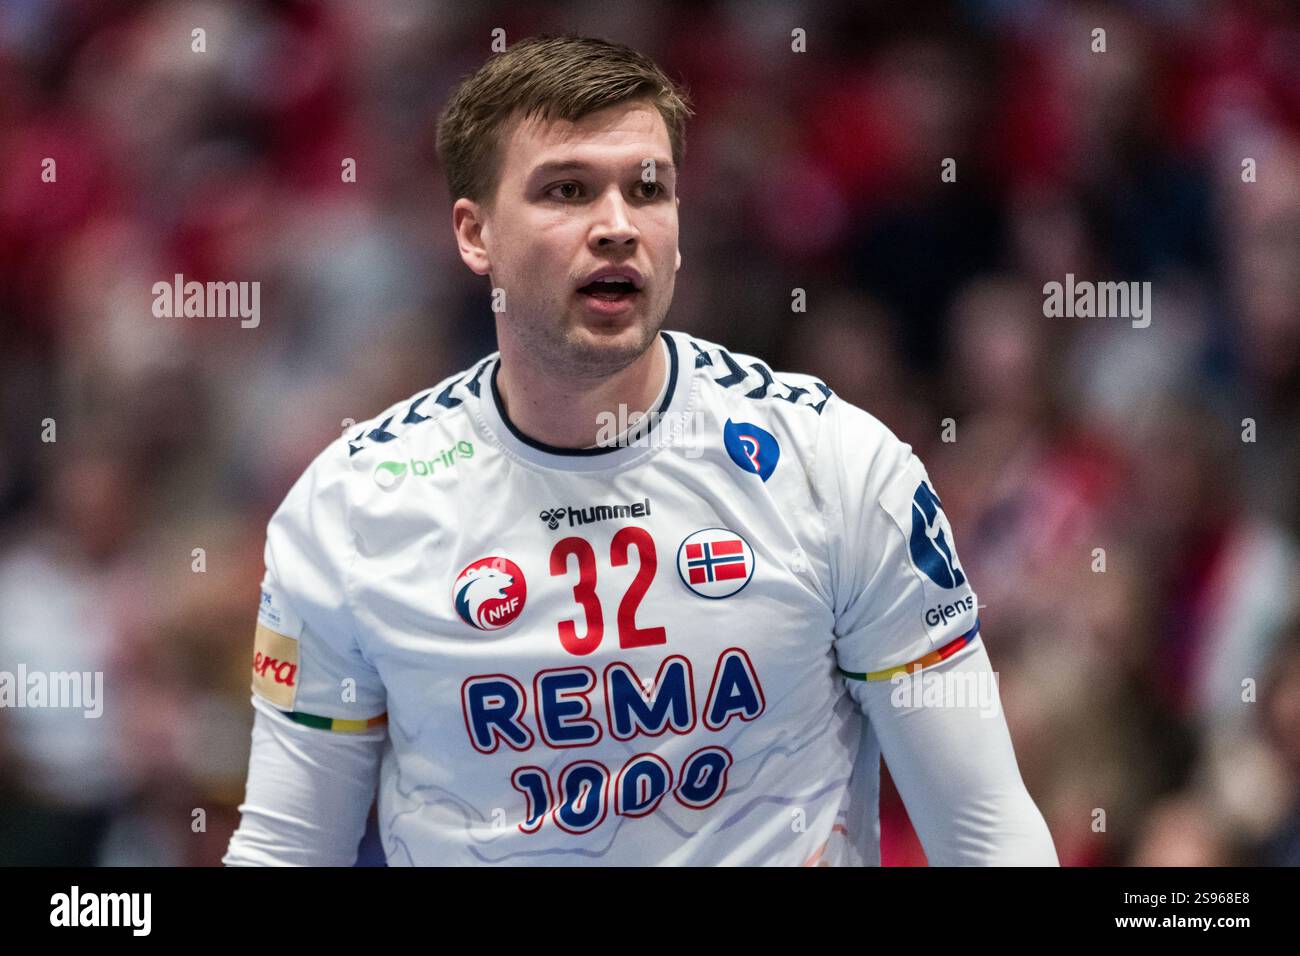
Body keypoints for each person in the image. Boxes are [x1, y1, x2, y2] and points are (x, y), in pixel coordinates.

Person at [224, 34, 1057, 866]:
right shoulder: (352, 509)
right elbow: (286, 849)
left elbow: (983, 830)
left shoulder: (834, 464)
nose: (617, 227)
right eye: (568, 191)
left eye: (648, 190)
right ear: (475, 236)